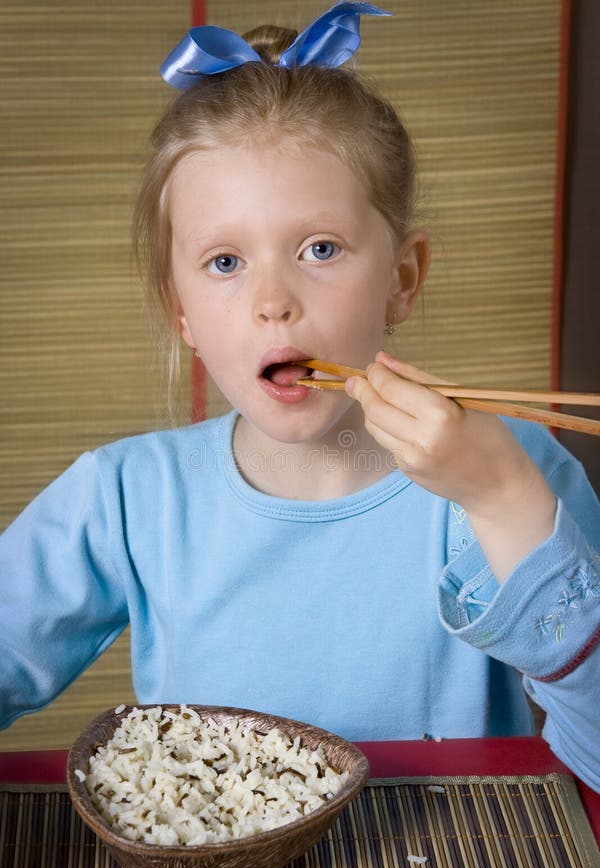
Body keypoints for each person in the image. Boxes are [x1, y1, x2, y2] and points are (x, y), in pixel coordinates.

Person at [1, 3, 599, 790]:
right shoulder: (124, 497)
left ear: (402, 278)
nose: (272, 300)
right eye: (224, 262)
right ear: (180, 310)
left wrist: (503, 502)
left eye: (320, 248)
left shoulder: (509, 471)